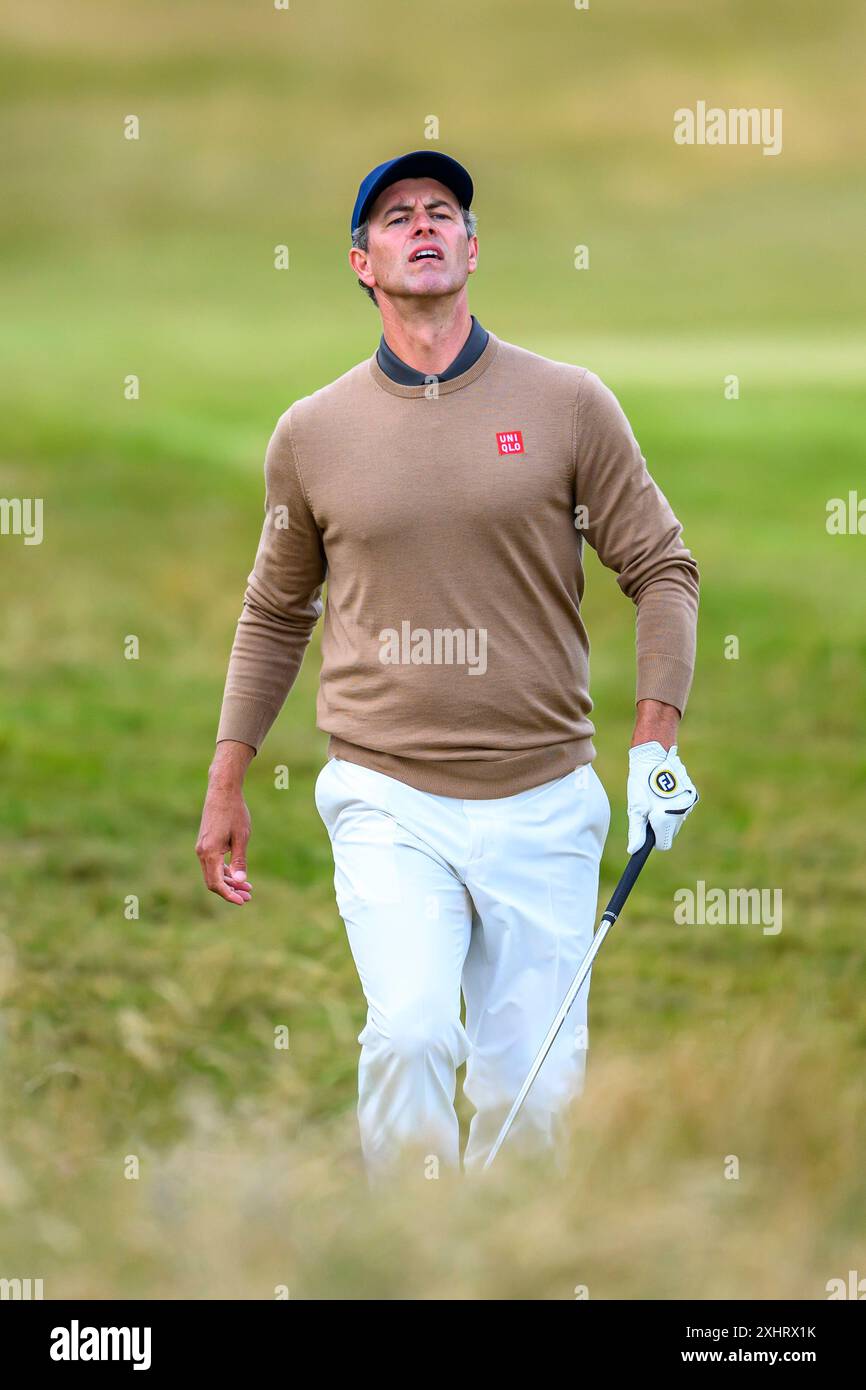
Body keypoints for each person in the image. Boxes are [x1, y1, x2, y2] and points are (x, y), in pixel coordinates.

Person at [195, 150, 700, 1181]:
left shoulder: (567, 404)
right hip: (387, 794)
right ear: (359, 262)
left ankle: (500, 1270)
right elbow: (274, 609)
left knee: (532, 1095)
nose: (421, 225)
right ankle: (408, 1264)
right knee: (413, 1033)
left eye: (441, 212)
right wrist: (227, 774)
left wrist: (653, 742)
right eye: (394, 217)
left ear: (471, 249)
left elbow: (660, 566)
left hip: (545, 796)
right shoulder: (312, 432)